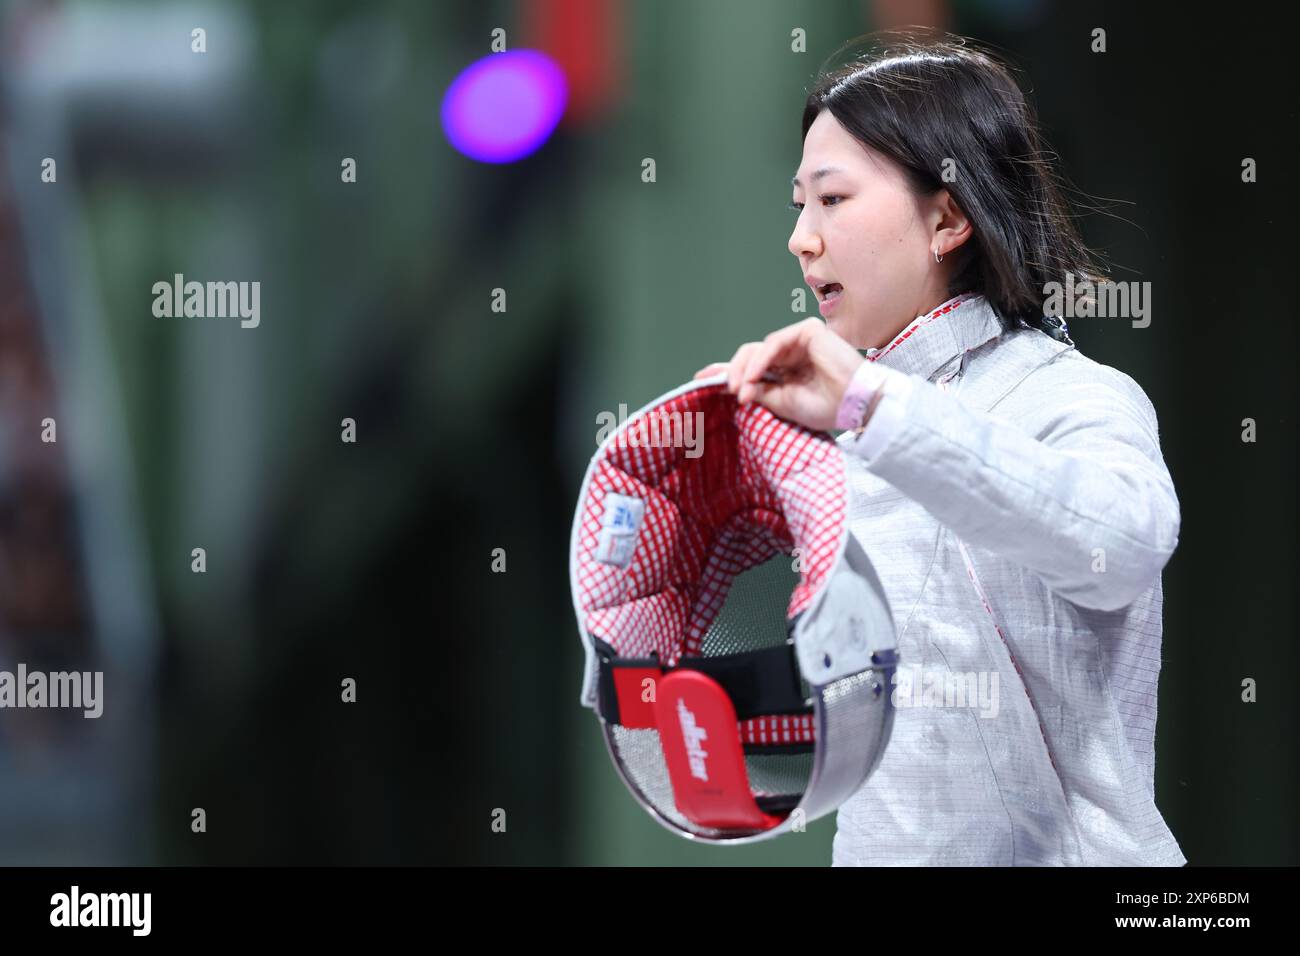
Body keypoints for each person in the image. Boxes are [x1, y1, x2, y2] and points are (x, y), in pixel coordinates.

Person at [694, 31, 1185, 866]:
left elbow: (1125, 544)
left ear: (948, 216)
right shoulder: (832, 447)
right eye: (797, 207)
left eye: (833, 200)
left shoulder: (1071, 397)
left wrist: (868, 404)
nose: (801, 240)